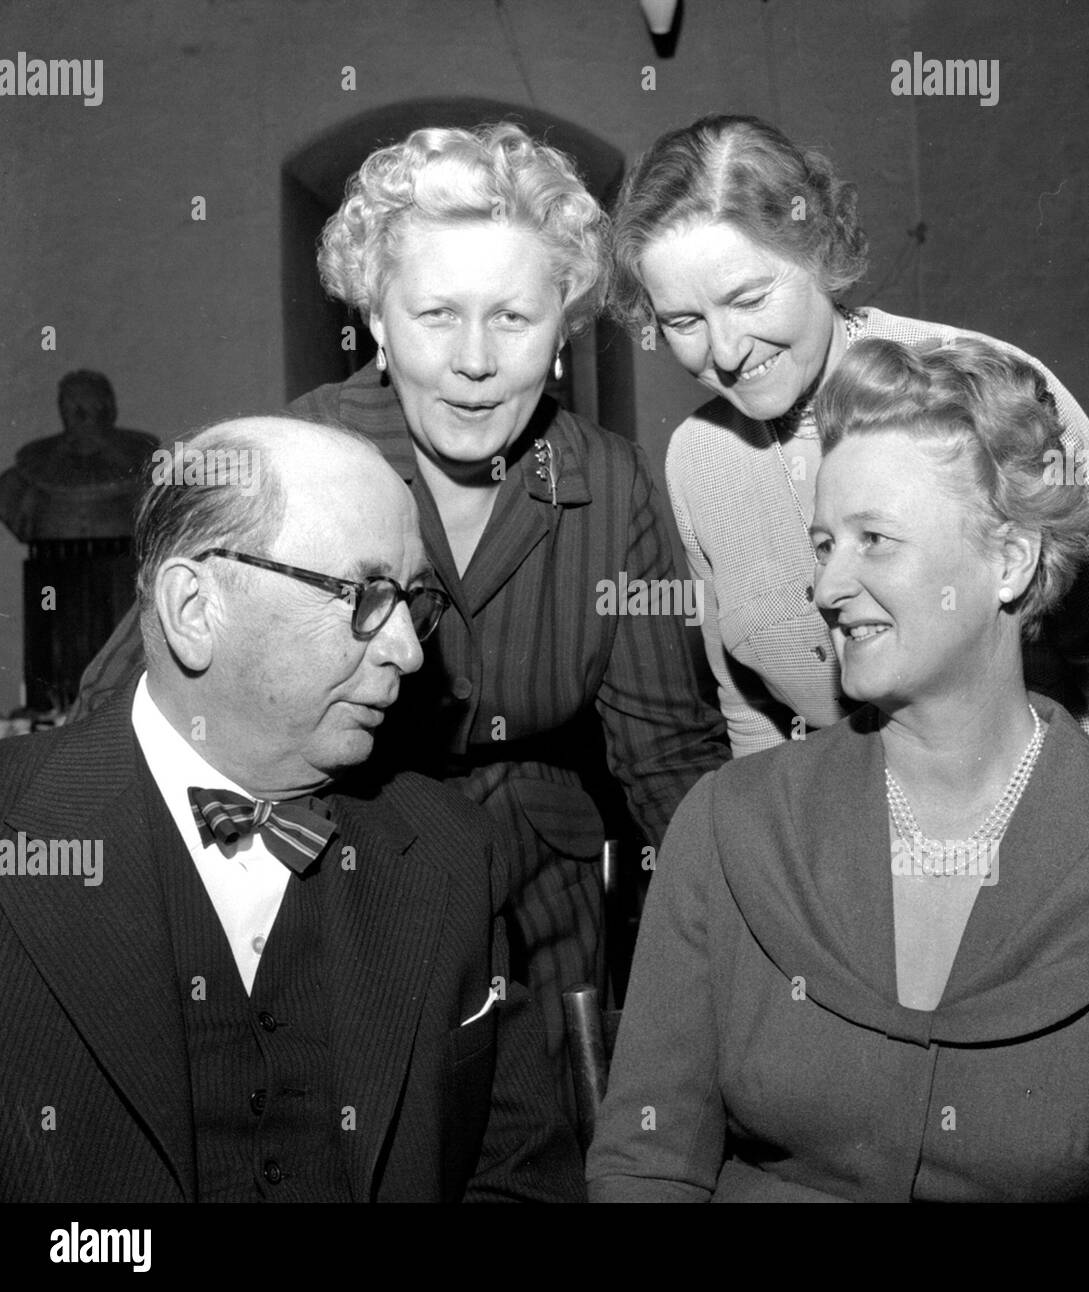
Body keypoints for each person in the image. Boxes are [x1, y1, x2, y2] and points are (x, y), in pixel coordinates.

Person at [69, 125, 728, 1096]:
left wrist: (746, 938)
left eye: (512, 316)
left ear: (562, 328)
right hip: (336, 894)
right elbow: (118, 709)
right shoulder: (297, 457)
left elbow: (667, 754)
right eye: (434, 314)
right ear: (377, 320)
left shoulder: (611, 481)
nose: (473, 360)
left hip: (541, 918)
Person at [586, 338, 1089, 1203]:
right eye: (824, 543)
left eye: (876, 539)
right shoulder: (729, 825)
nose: (828, 585)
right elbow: (647, 1165)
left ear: (1009, 562)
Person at [0, 417, 584, 1202]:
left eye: (414, 601)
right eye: (366, 595)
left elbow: (520, 1180)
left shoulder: (451, 850)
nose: (409, 652)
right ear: (194, 608)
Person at [609, 114, 1089, 800]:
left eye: (749, 297)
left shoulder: (989, 385)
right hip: (842, 857)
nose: (728, 350)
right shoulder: (696, 461)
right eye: (684, 321)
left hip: (1042, 831)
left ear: (819, 249)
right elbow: (752, 714)